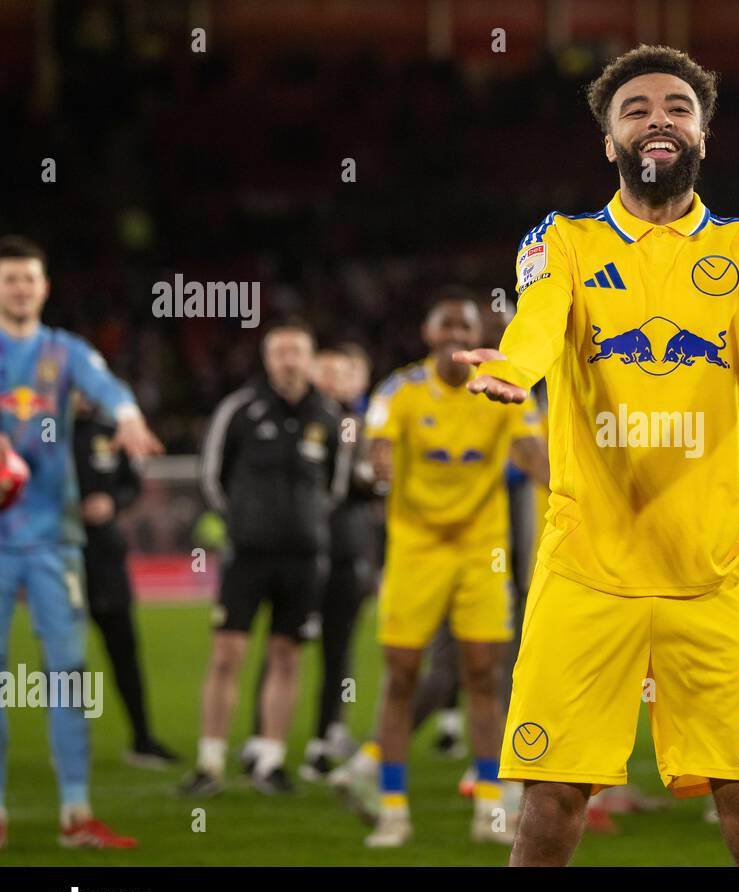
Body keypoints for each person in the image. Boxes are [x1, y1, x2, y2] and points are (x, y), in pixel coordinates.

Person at [454, 44, 739, 866]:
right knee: (550, 803)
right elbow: (540, 318)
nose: (660, 119)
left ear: (704, 136)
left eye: (678, 108)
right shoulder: (564, 243)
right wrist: (513, 368)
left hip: (714, 573)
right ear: (609, 142)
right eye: (638, 109)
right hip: (585, 570)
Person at [335, 290, 548, 848]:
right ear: (429, 335)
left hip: (482, 549)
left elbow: (531, 452)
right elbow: (376, 447)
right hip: (415, 550)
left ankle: (488, 809)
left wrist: (572, 485)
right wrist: (378, 468)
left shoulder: (503, 384)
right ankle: (392, 809)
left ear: (482, 333)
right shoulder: (398, 391)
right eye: (446, 325)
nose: (456, 333)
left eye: (466, 325)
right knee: (401, 677)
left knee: (484, 674)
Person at [0, 234, 163, 849]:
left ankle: (76, 814)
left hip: (54, 540)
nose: (20, 288)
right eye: (9, 278)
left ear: (44, 288)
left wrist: (126, 417)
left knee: (67, 675)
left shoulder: (65, 353)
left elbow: (110, 389)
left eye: (29, 279)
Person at [180, 320, 352, 797]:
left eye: (298, 351)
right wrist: (242, 523)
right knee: (227, 654)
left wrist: (306, 523)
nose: (289, 360)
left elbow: (334, 487)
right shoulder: (238, 409)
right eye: (280, 351)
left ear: (311, 357)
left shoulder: (330, 416)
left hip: (304, 557)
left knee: (287, 656)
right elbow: (212, 477)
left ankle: (271, 760)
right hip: (247, 555)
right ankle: (210, 762)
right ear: (266, 358)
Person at [246, 345, 378, 782]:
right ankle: (262, 738)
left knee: (336, 648)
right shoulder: (310, 423)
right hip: (304, 550)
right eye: (325, 372)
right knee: (284, 645)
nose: (331, 380)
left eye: (340, 373)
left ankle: (325, 737)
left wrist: (368, 477)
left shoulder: (355, 427)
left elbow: (373, 483)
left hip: (345, 552)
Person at [73, 393, 178, 768]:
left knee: (125, 651)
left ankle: (142, 738)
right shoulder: (40, 435)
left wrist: (112, 503)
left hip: (106, 555)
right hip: (62, 555)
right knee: (64, 657)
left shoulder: (111, 432)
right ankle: (70, 745)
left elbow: (132, 485)